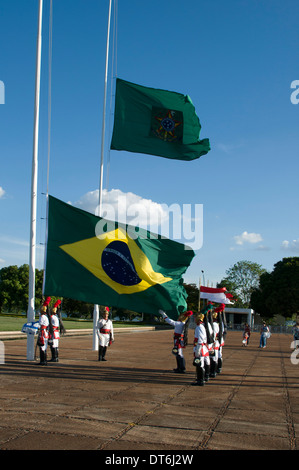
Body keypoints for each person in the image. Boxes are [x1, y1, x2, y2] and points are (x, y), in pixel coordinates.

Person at [159, 309, 193, 373]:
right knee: (178, 353)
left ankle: (182, 368)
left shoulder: (179, 323)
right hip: (179, 339)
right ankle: (179, 367)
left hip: (178, 340)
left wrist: (164, 315)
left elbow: (170, 321)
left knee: (179, 354)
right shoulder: (183, 323)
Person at [192, 313, 210, 386]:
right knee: (202, 363)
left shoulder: (199, 327)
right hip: (202, 346)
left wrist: (198, 349)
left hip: (200, 347)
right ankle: (202, 378)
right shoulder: (201, 326)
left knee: (200, 364)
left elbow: (200, 339)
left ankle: (201, 380)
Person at [37, 297, 51, 365]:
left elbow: (40, 325)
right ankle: (44, 360)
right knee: (44, 346)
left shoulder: (42, 317)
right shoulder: (46, 316)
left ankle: (42, 361)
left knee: (42, 346)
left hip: (42, 332)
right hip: (45, 332)